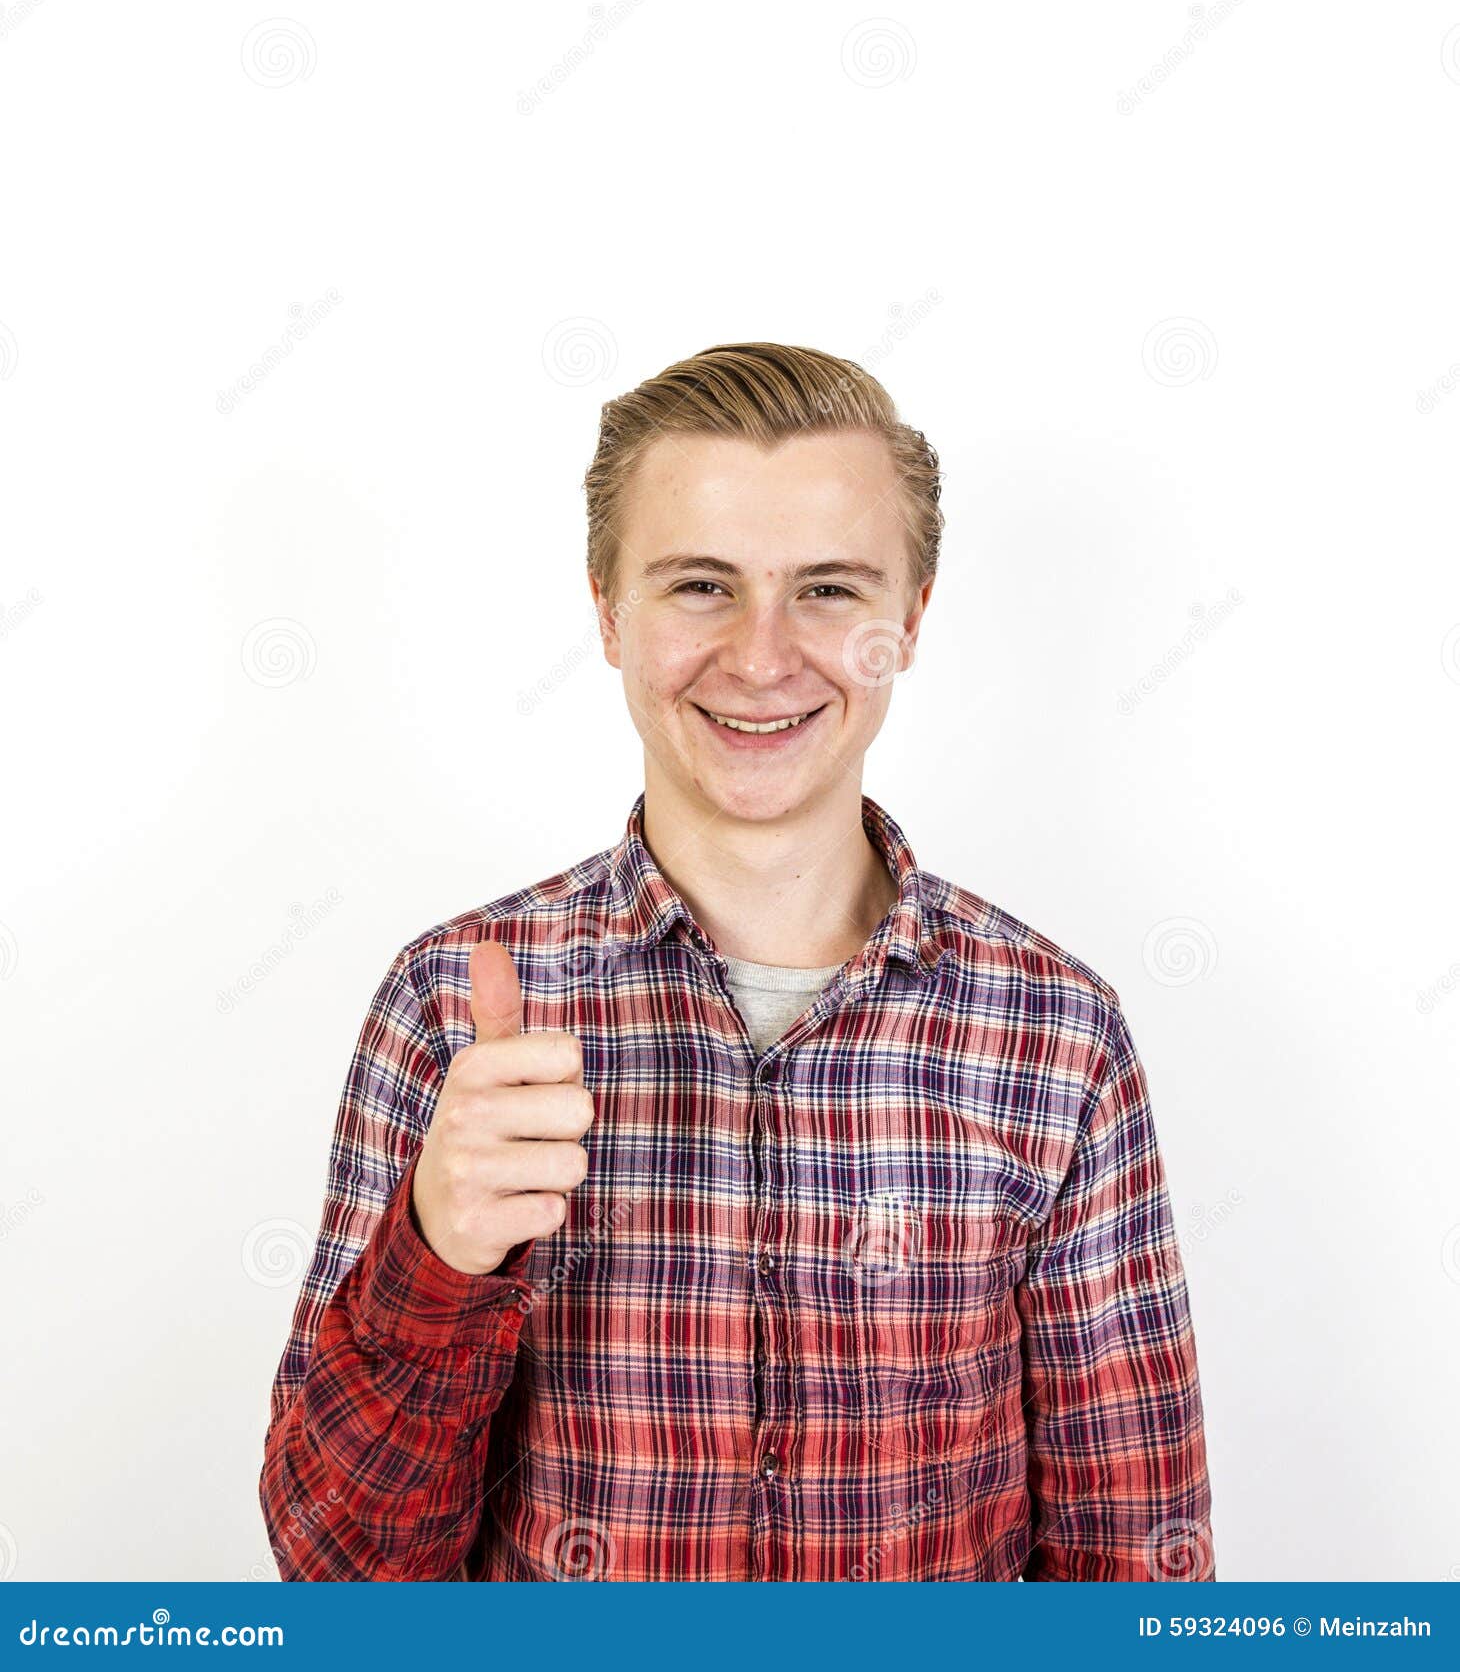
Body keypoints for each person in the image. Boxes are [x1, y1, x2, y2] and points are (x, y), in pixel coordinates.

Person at [259, 342, 1214, 1582]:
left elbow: (1135, 1572)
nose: (762, 657)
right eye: (700, 586)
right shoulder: (451, 1005)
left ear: (907, 621)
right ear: (606, 611)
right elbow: (339, 1577)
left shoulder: (1056, 1033)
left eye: (826, 589)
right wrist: (438, 1261)